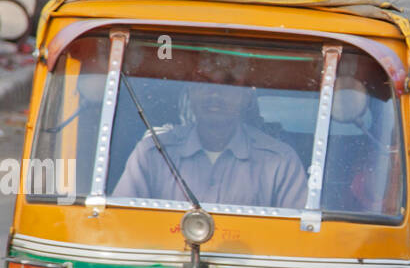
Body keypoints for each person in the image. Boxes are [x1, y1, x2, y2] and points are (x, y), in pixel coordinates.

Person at [113, 68, 308, 209]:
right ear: (190, 92)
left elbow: (300, 238)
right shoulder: (152, 152)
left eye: (228, 84)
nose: (215, 95)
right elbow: (119, 222)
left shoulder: (280, 160)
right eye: (204, 83)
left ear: (246, 96)